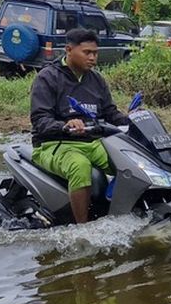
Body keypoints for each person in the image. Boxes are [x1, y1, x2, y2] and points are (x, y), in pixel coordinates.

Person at [29, 27, 131, 223]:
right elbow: (40, 120)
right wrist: (65, 125)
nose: (92, 58)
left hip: (94, 143)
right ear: (69, 50)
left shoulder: (96, 79)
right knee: (80, 166)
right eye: (87, 52)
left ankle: (124, 215)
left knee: (129, 164)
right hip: (54, 144)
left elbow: (110, 113)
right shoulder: (47, 77)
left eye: (95, 53)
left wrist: (132, 119)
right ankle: (83, 228)